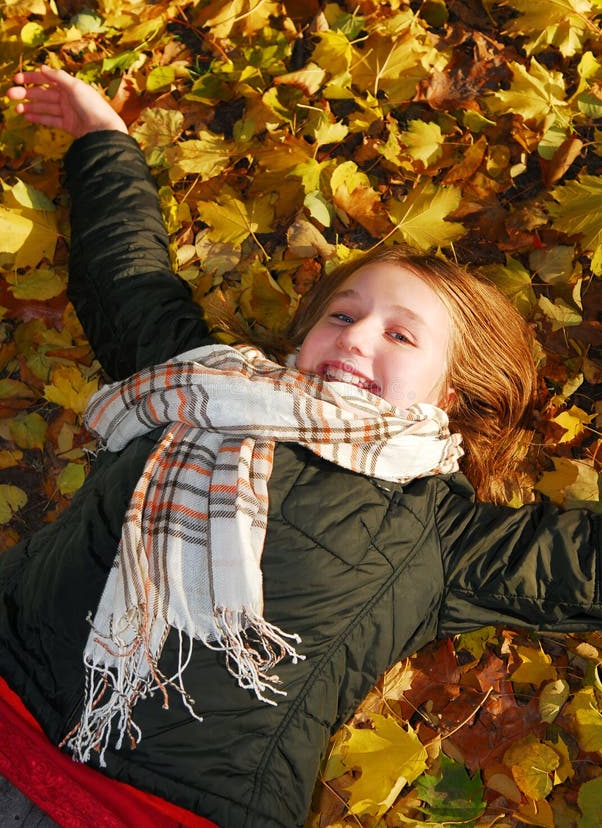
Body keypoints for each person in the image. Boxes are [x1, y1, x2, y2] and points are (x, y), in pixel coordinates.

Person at [1, 66, 600, 828]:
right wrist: (103, 140)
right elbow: (127, 277)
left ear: (452, 392)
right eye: (341, 314)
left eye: (399, 334)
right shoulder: (201, 380)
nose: (354, 335)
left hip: (152, 809)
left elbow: (582, 566)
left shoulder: (441, 534)